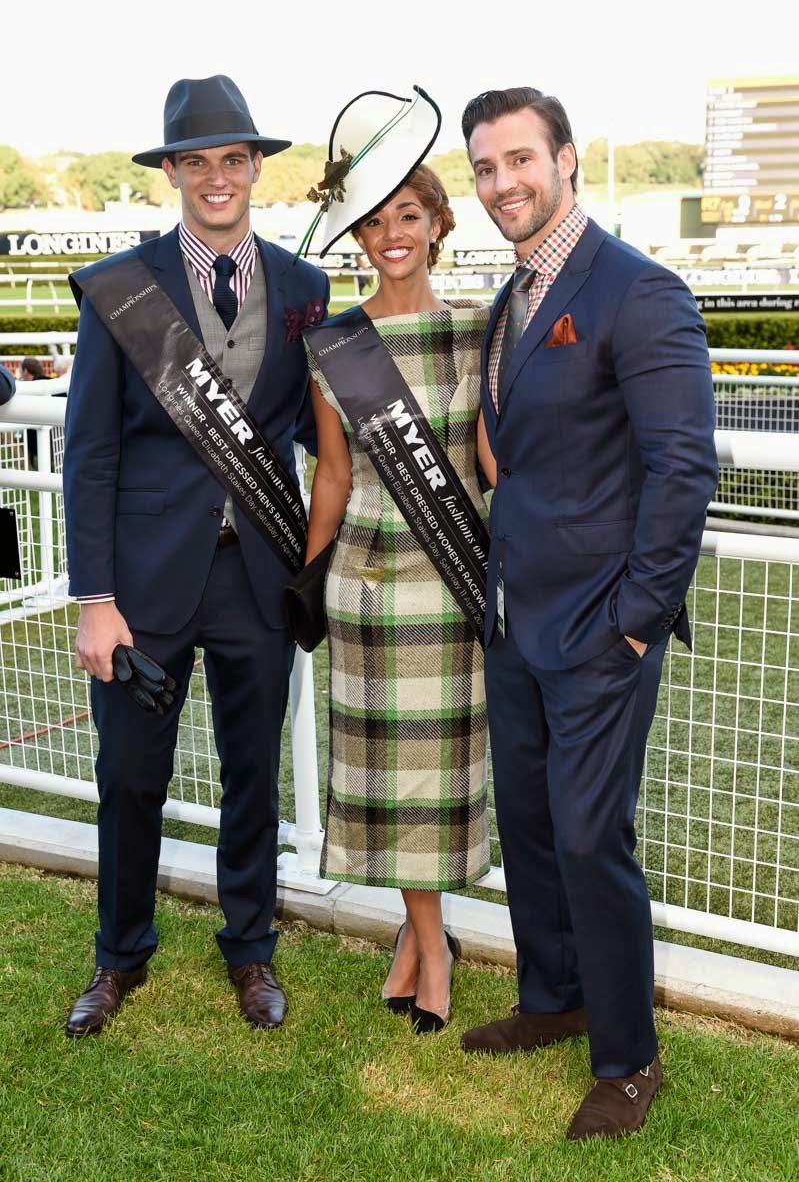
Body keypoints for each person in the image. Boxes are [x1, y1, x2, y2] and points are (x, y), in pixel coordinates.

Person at [459, 87, 717, 1138]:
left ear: (564, 159)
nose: (502, 183)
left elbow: (683, 467)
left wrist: (637, 618)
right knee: (527, 824)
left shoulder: (636, 290)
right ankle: (551, 996)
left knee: (586, 833)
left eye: (519, 159)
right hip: (517, 616)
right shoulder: (511, 295)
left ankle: (627, 1060)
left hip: (601, 628)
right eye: (484, 168)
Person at [62, 75, 328, 1037]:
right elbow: (89, 450)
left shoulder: (305, 289)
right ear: (170, 172)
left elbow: (312, 431)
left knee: (253, 772)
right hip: (141, 584)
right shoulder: (122, 287)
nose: (216, 177)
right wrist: (94, 597)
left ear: (255, 168)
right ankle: (118, 956)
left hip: (258, 573)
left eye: (233, 159)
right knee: (131, 776)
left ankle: (250, 951)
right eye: (195, 161)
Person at [302, 87, 494, 1034]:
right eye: (373, 222)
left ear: (437, 222)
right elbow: (333, 477)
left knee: (439, 779)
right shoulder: (335, 342)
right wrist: (308, 577)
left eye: (407, 216)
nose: (391, 235)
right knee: (387, 779)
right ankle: (427, 944)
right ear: (356, 237)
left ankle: (423, 946)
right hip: (369, 592)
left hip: (453, 588)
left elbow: (493, 465)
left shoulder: (478, 328)